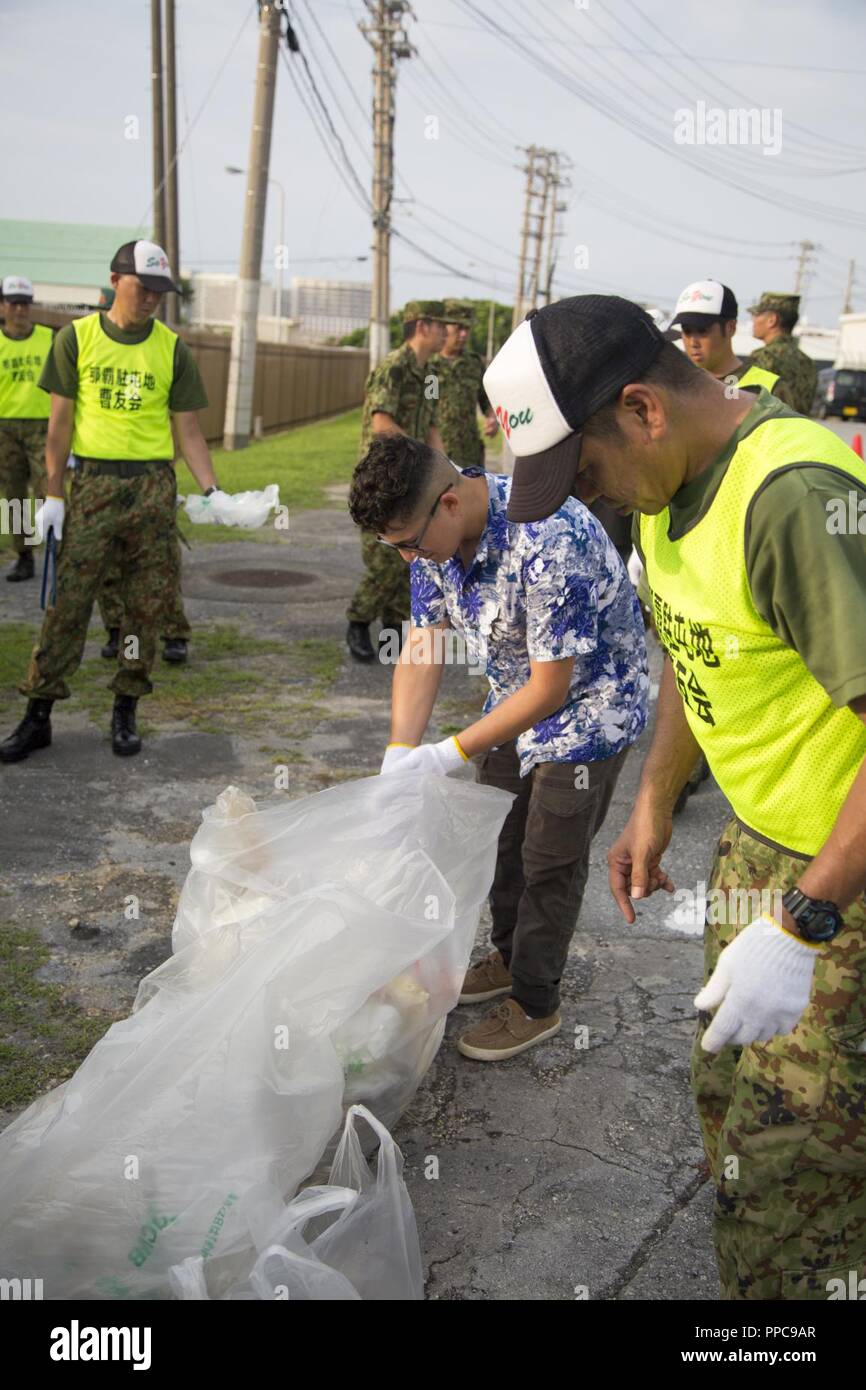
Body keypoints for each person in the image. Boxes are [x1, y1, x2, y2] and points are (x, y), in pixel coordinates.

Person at [482, 293, 866, 1299]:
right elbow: (696, 648)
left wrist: (807, 918)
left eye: (590, 472)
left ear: (643, 409)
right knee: (725, 1094)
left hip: (841, 874)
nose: (595, 499)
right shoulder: (669, 484)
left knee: (792, 1184)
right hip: (760, 844)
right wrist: (652, 798)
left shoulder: (790, 496)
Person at [349, 431, 649, 1061]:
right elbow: (425, 644)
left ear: (450, 503)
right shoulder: (430, 542)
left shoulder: (548, 537)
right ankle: (511, 960)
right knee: (501, 841)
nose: (406, 560)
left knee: (550, 856)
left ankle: (537, 1002)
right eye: (393, 548)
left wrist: (447, 752)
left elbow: (551, 688)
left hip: (590, 711)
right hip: (514, 703)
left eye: (407, 543)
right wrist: (401, 750)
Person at [0, 240, 226, 763]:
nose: (150, 299)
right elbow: (57, 428)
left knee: (144, 608)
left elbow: (188, 430)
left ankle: (126, 706)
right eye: (142, 287)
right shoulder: (75, 340)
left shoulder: (172, 348)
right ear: (114, 280)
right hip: (93, 486)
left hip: (151, 488)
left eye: (159, 292)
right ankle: (38, 713)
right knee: (68, 604)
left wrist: (211, 489)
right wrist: (53, 494)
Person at [345, 300, 452, 663]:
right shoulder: (393, 368)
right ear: (422, 326)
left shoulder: (432, 373)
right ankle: (358, 621)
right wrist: (421, 460)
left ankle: (393, 636)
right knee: (386, 559)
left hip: (415, 480)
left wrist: (443, 470)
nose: (446, 332)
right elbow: (382, 425)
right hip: (385, 481)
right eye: (440, 325)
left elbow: (434, 424)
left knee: (414, 557)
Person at [0, 276, 53, 582]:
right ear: (3, 305)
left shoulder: (48, 338)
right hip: (6, 429)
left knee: (50, 489)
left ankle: (60, 552)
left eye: (25, 304)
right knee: (15, 496)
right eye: (14, 303)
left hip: (43, 427)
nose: (20, 310)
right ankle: (24, 556)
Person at [670, 279, 795, 406]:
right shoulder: (675, 385)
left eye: (702, 331)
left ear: (730, 328)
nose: (693, 342)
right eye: (687, 331)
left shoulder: (768, 388)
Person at [428, 299, 498, 469]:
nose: (464, 334)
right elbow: (427, 406)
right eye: (459, 328)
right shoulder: (431, 365)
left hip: (470, 455)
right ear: (444, 328)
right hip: (439, 451)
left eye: (467, 329)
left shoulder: (473, 364)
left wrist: (492, 418)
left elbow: (486, 400)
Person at [748, 291, 817, 415]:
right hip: (800, 431)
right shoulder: (808, 362)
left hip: (770, 431)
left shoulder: (764, 356)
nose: (753, 321)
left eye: (756, 315)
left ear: (771, 320)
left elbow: (750, 402)